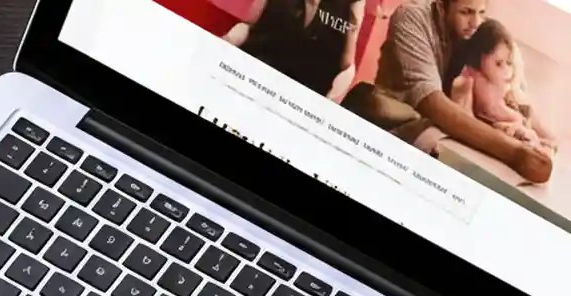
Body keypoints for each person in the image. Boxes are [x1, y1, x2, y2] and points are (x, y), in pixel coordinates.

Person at [345, 0, 552, 182]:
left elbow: (510, 86)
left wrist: (532, 126)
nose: (476, 22)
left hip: (438, 138)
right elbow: (434, 104)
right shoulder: (411, 17)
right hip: (389, 133)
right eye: (466, 12)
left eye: (481, 12)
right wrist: (515, 153)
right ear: (442, 6)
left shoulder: (476, 33)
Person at [448, 19, 557, 153]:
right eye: (499, 63)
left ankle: (550, 144)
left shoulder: (502, 80)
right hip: (502, 121)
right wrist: (517, 120)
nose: (506, 70)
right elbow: (492, 109)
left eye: (509, 63)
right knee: (531, 135)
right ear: (479, 58)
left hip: (514, 107)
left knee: (542, 128)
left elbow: (513, 99)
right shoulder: (474, 78)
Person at [224, 0, 367, 101]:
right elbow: (249, 25)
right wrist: (226, 42)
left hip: (303, 91)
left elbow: (347, 63)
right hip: (256, 70)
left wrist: (326, 100)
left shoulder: (353, 3)